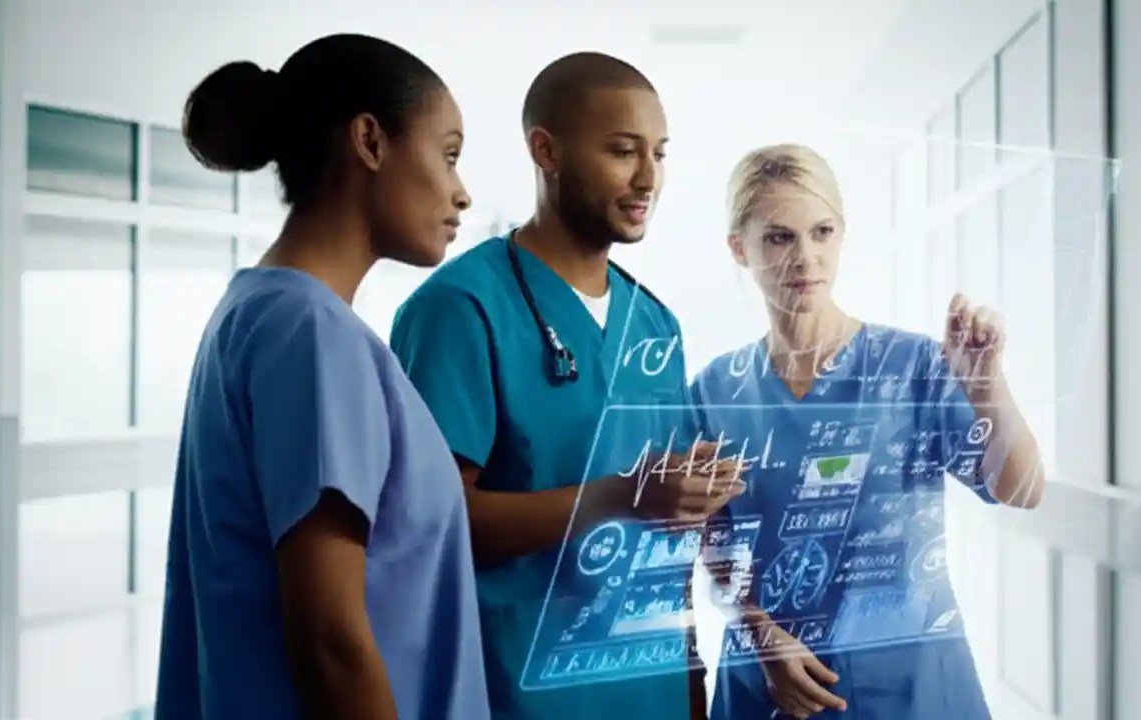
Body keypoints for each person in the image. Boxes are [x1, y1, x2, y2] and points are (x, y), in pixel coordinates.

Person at [388, 52, 742, 720]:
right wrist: (618, 495)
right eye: (621, 151)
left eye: (659, 154)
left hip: (654, 690)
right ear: (545, 151)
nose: (647, 179)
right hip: (521, 693)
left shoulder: (655, 322)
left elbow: (671, 538)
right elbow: (432, 523)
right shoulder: (461, 308)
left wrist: (693, 689)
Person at [155, 34, 489, 720]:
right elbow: (330, 644)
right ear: (369, 140)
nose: (461, 191)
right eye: (448, 154)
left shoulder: (259, 311)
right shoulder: (308, 332)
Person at [690, 144, 1047, 719]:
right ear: (739, 248)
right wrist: (757, 633)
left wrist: (988, 391)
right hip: (772, 683)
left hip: (910, 682)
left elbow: (1023, 490)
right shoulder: (714, 390)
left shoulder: (912, 366)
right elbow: (712, 539)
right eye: (779, 237)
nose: (805, 257)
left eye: (822, 232)